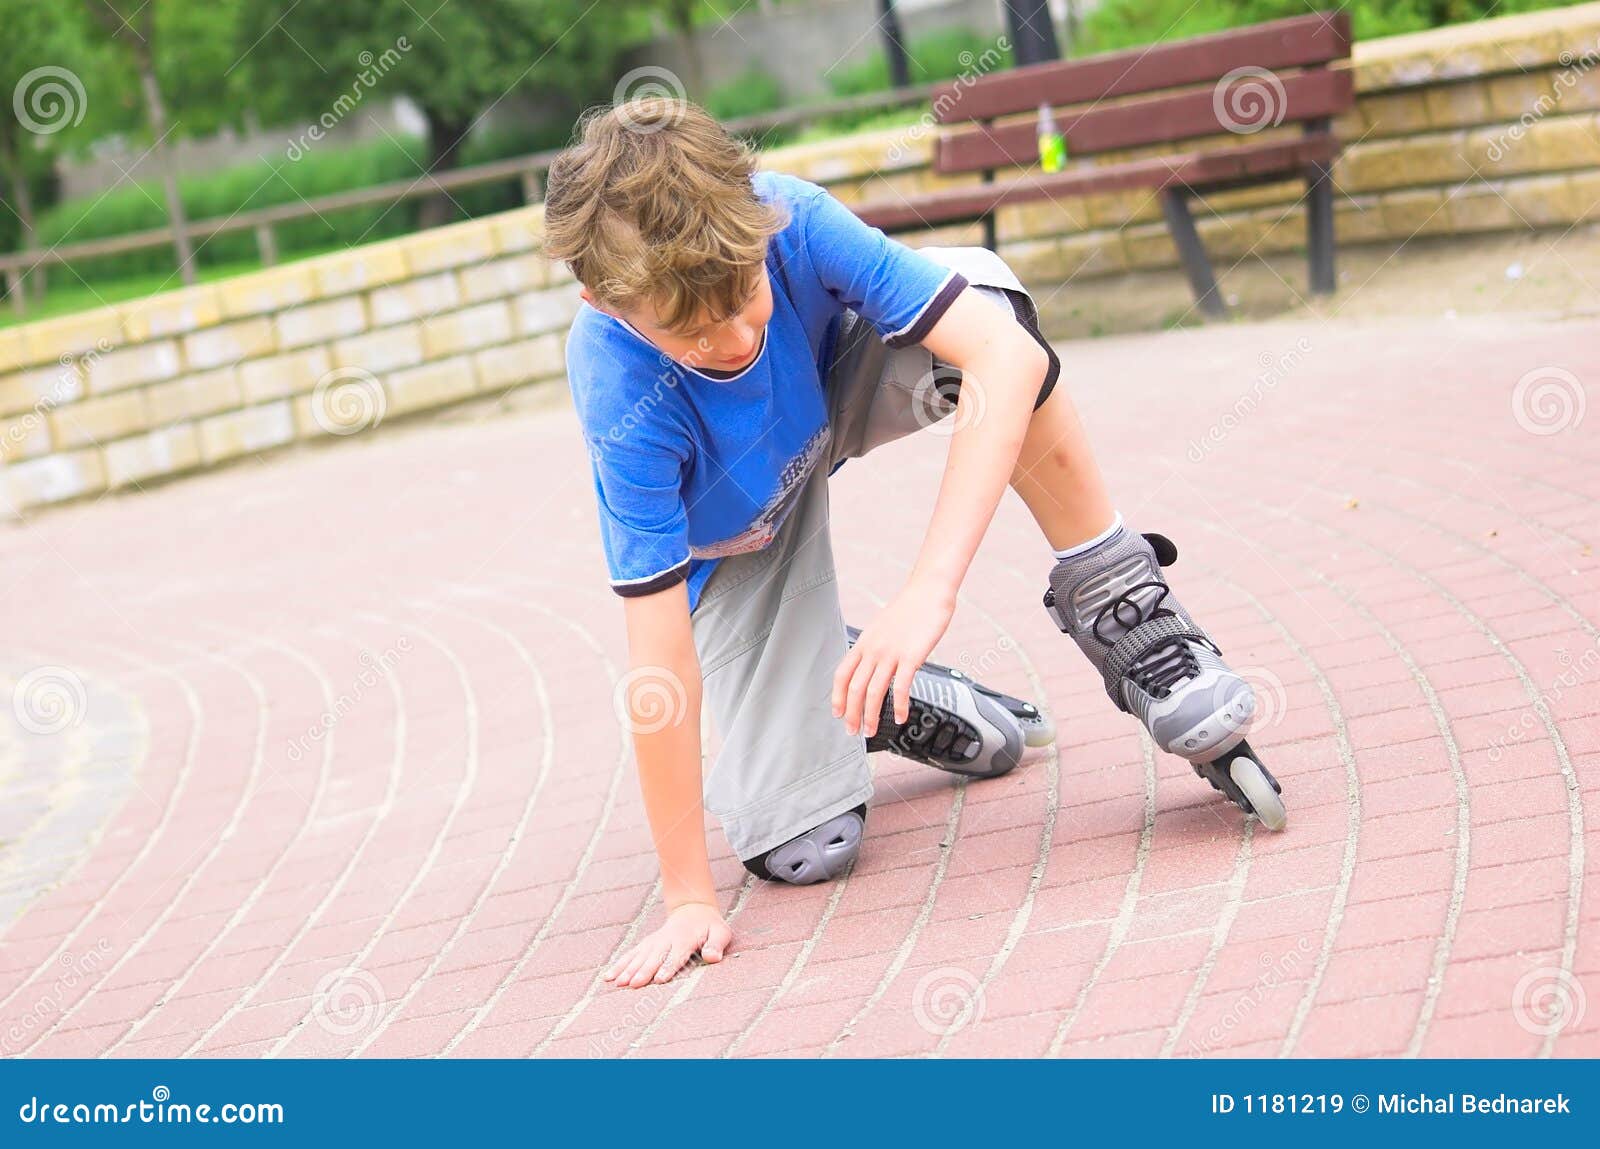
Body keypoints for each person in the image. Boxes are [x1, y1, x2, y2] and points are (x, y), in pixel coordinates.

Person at [544, 100, 1279, 991]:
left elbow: (1002, 358)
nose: (735, 343)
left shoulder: (790, 216)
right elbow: (657, 657)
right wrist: (687, 895)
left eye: (744, 298)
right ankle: (860, 680)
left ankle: (1122, 603)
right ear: (605, 303)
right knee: (802, 849)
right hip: (737, 542)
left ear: (756, 218)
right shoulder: (619, 387)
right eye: (692, 333)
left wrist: (931, 588)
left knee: (991, 309)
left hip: (832, 396)